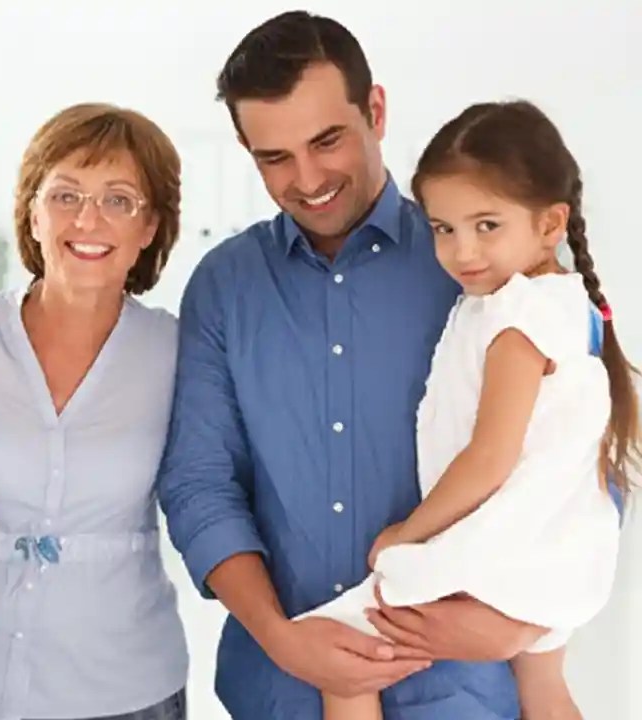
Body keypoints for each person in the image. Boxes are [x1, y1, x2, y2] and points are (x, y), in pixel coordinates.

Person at [157, 12, 550, 719]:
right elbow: (199, 485)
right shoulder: (224, 286)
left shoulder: (477, 262)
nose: (307, 179)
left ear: (376, 111)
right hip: (280, 692)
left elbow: (572, 449)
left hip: (460, 692)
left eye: (326, 141)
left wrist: (521, 628)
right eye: (274, 157)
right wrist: (280, 638)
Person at [298, 98, 634, 720]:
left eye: (486, 225)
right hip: (554, 554)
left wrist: (406, 536)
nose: (462, 251)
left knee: (339, 653)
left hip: (505, 550)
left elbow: (490, 457)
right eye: (443, 228)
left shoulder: (518, 315)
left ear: (550, 224)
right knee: (545, 691)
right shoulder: (557, 303)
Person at [0, 103, 189, 720]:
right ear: (32, 212)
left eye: (119, 200)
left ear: (150, 227)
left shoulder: (177, 353)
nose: (88, 219)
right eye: (65, 195)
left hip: (127, 691)